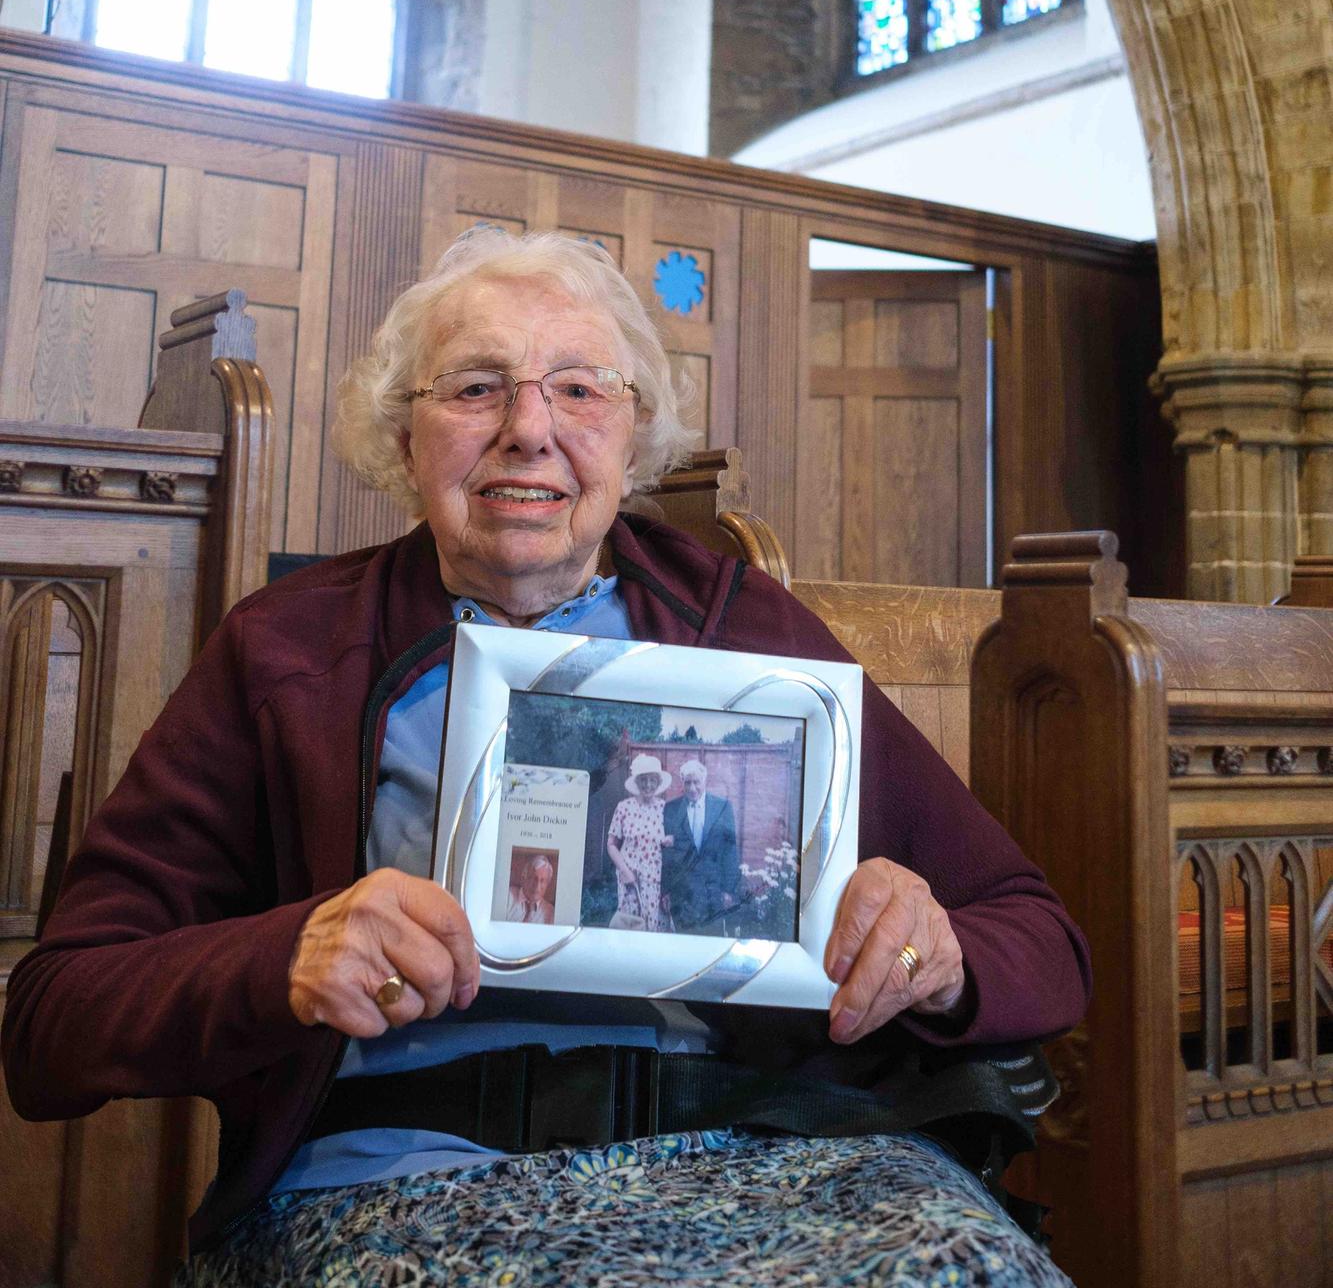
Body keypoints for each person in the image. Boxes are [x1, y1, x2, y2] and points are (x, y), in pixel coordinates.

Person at [2, 228, 1090, 1288]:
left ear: (632, 435)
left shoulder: (743, 630)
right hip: (402, 1179)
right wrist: (287, 952)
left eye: (578, 389)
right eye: (475, 387)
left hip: (779, 1149)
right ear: (403, 437)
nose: (529, 428)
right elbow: (54, 1017)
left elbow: (1038, 933)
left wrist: (932, 952)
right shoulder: (290, 649)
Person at [662, 757, 742, 933]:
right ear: (682, 783)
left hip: (712, 892)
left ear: (705, 781)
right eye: (687, 782)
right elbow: (667, 855)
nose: (692, 788)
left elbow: (730, 851)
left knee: (711, 944)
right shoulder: (671, 809)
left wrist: (729, 890)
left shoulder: (722, 807)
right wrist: (666, 890)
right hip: (682, 894)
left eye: (696, 782)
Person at [607, 753, 674, 930]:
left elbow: (674, 846)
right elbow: (611, 844)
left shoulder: (665, 809)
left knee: (653, 927)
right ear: (636, 782)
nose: (648, 785)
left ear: (658, 783)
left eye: (652, 780)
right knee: (630, 926)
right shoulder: (624, 807)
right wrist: (624, 870)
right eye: (643, 780)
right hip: (630, 878)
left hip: (656, 880)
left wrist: (671, 840)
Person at [506, 853, 556, 926]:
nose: (537, 886)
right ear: (524, 877)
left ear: (547, 884)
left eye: (542, 881)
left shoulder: (550, 912)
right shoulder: (507, 896)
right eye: (534, 879)